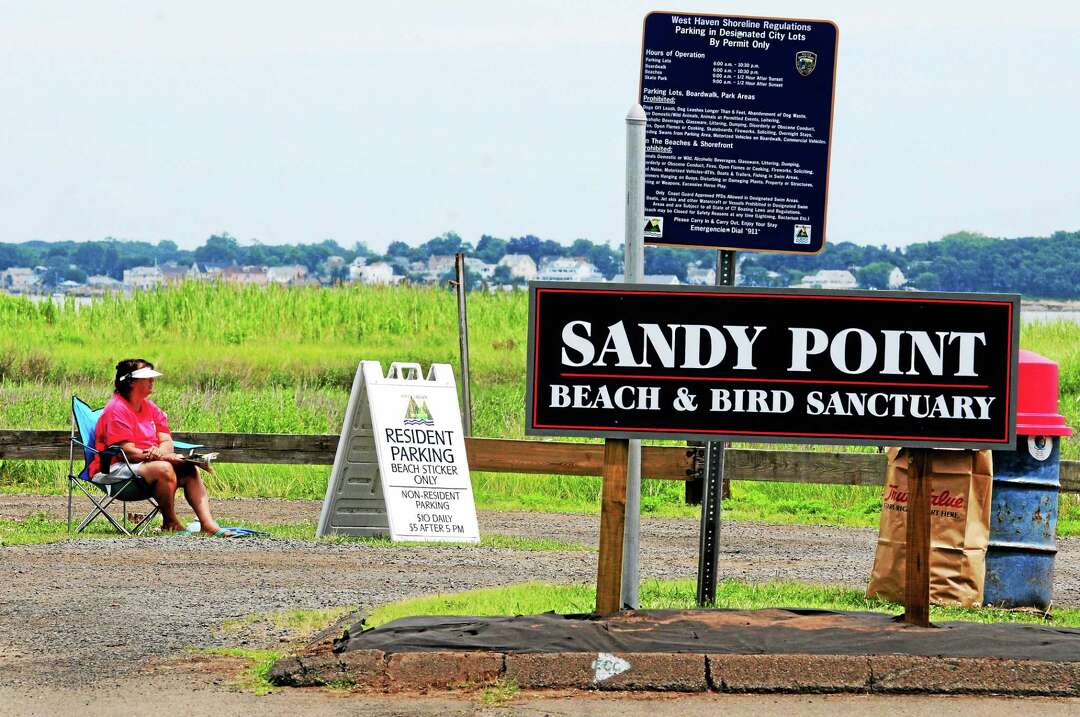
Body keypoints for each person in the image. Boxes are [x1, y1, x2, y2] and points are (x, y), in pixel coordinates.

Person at [89, 358, 239, 537]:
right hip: (113, 469)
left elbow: (166, 440)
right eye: (147, 377)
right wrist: (159, 456)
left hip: (147, 465)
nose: (152, 381)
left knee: (189, 469)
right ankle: (170, 522)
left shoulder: (150, 407)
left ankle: (208, 524)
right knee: (164, 468)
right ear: (131, 381)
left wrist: (161, 452)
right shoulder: (116, 409)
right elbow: (126, 452)